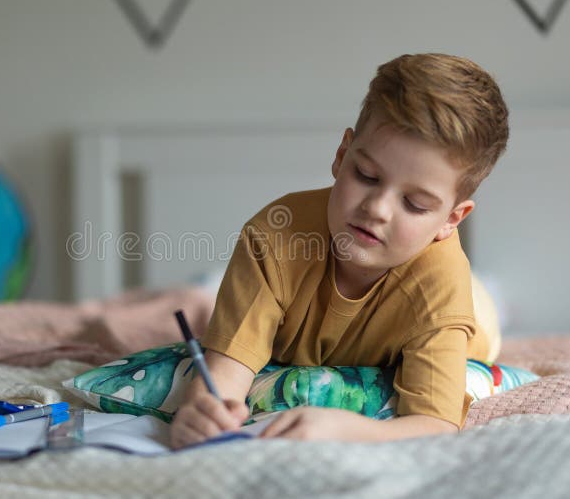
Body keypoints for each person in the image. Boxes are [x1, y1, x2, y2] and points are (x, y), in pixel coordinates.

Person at [170, 53, 509, 448]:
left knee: (481, 311)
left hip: (466, 315)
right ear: (341, 154)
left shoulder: (440, 288)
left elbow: (434, 424)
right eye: (366, 176)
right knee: (200, 302)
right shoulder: (273, 236)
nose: (377, 209)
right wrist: (203, 410)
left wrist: (348, 431)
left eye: (414, 205)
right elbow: (225, 374)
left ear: (452, 219)